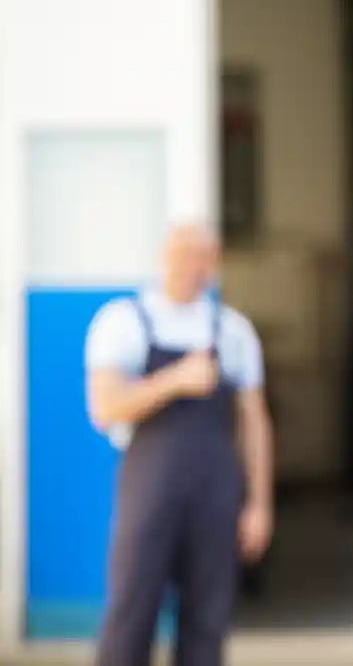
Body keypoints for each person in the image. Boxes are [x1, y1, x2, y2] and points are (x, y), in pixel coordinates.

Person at [85, 223, 274, 666]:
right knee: (132, 609)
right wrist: (175, 380)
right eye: (185, 253)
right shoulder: (124, 320)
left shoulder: (233, 331)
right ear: (164, 256)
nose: (194, 265)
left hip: (215, 492)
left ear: (216, 265)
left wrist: (259, 503)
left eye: (205, 256)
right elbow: (104, 406)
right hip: (150, 489)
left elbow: (254, 422)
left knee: (207, 620)